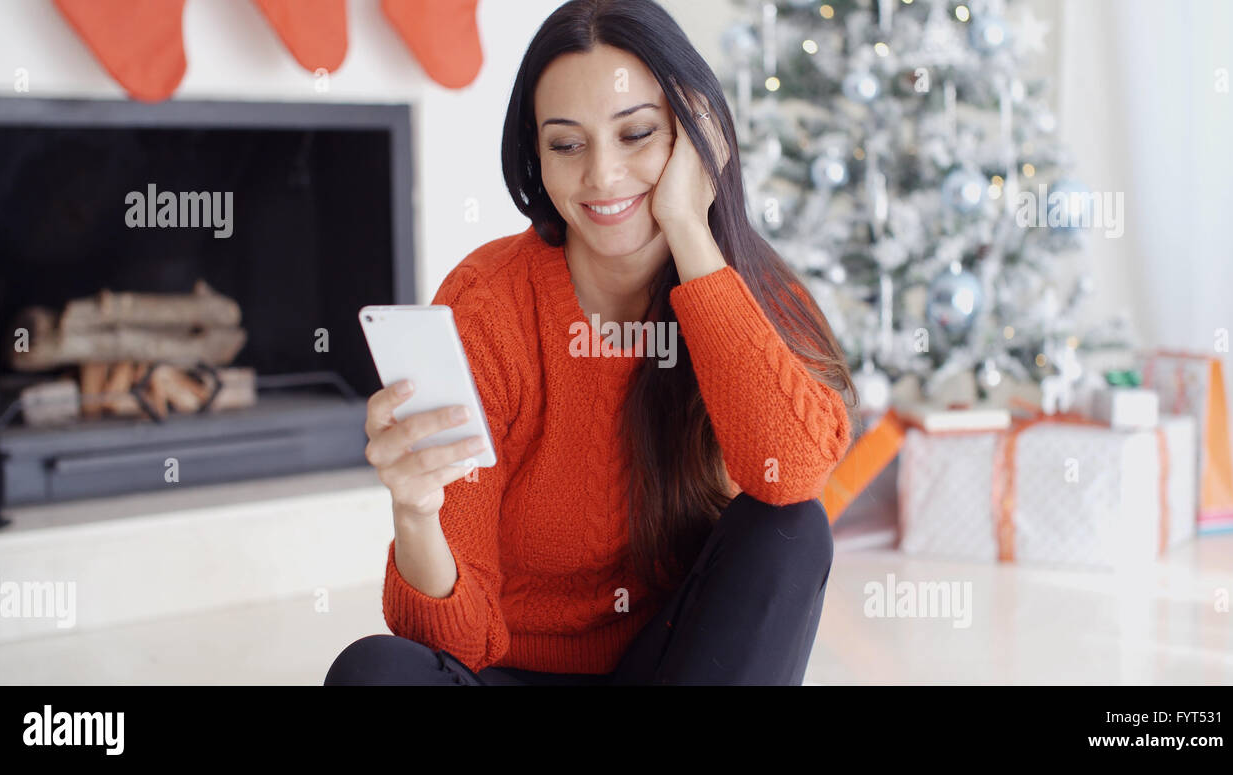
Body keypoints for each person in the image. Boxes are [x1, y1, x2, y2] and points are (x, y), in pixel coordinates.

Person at [325, 0, 855, 686]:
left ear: (693, 139)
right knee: (375, 670)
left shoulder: (744, 288)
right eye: (567, 144)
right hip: (512, 670)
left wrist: (690, 230)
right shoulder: (490, 305)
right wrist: (416, 514)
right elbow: (458, 645)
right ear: (536, 157)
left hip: (667, 668)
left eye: (637, 133)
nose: (602, 176)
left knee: (791, 527)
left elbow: (794, 473)